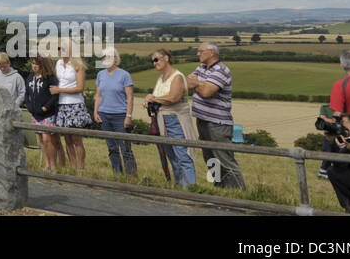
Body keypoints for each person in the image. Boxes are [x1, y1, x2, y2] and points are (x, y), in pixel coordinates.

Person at [186, 42, 245, 190]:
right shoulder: (202, 67)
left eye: (200, 51)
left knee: (224, 158)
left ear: (211, 52)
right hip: (203, 120)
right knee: (210, 158)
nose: (197, 54)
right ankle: (220, 188)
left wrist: (197, 83)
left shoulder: (221, 70)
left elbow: (207, 93)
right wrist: (201, 84)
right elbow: (188, 83)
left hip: (218, 123)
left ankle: (238, 192)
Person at [145, 48, 197, 187]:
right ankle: (179, 187)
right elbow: (163, 98)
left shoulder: (177, 76)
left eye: (156, 59)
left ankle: (190, 190)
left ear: (166, 58)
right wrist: (152, 100)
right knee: (172, 157)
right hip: (163, 120)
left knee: (183, 156)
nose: (154, 63)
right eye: (152, 61)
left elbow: (174, 97)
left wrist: (154, 98)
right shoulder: (161, 78)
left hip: (176, 119)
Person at [94, 46, 137, 177]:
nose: (104, 60)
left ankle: (131, 177)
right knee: (112, 148)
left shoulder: (124, 75)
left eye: (107, 57)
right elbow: (98, 95)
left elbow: (130, 97)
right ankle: (117, 175)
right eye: (102, 58)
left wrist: (128, 116)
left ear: (115, 58)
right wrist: (96, 112)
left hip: (120, 115)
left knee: (125, 149)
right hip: (104, 115)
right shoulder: (100, 74)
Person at [50, 39, 89, 171]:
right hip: (61, 104)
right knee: (67, 139)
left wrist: (59, 90)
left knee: (77, 140)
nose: (60, 51)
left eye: (62, 48)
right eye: (58, 48)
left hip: (75, 104)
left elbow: (80, 88)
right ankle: (72, 167)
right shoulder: (59, 63)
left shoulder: (78, 64)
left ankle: (81, 168)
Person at [26, 56, 64, 171]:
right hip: (35, 114)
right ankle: (47, 164)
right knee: (41, 141)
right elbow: (26, 94)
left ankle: (53, 165)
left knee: (48, 139)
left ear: (43, 65)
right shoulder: (30, 77)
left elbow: (55, 95)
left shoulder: (50, 77)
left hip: (47, 114)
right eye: (33, 64)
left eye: (37, 64)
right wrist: (29, 106)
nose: (34, 66)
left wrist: (45, 108)